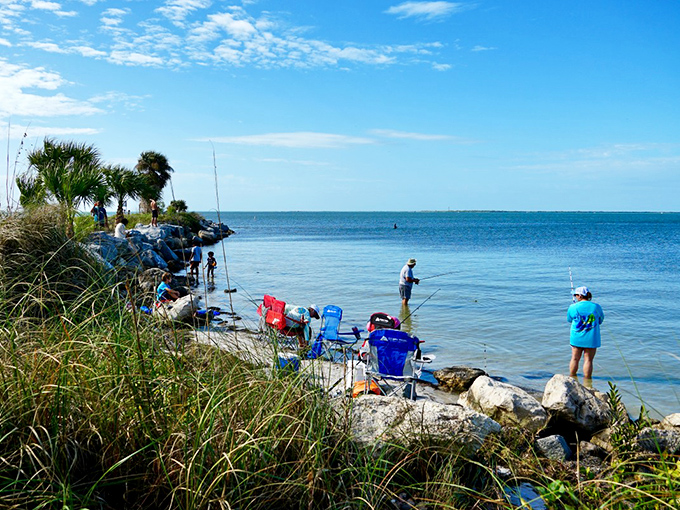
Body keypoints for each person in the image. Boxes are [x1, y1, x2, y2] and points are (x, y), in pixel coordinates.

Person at [567, 286, 604, 381]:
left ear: (580, 296)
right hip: (591, 338)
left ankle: (572, 378)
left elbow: (569, 320)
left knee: (574, 358)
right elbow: (600, 320)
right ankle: (587, 382)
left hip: (576, 337)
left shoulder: (572, 307)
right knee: (588, 360)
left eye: (575, 295)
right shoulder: (596, 306)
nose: (575, 297)